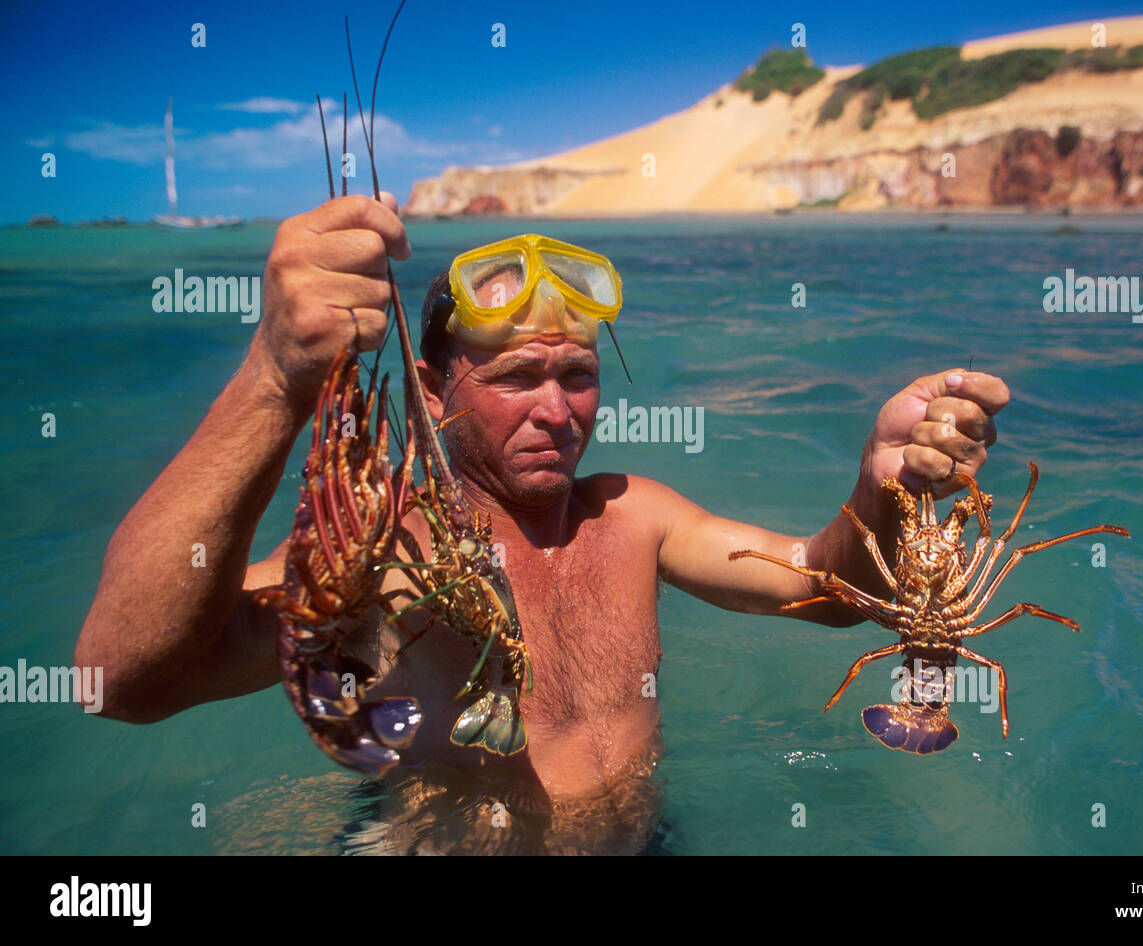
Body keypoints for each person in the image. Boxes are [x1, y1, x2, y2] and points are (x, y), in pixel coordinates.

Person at [76, 193, 1008, 853]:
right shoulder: (396, 551)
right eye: (518, 378)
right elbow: (124, 679)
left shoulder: (633, 512)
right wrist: (276, 377)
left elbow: (823, 586)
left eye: (577, 375)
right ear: (438, 389)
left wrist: (884, 481)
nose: (558, 410)